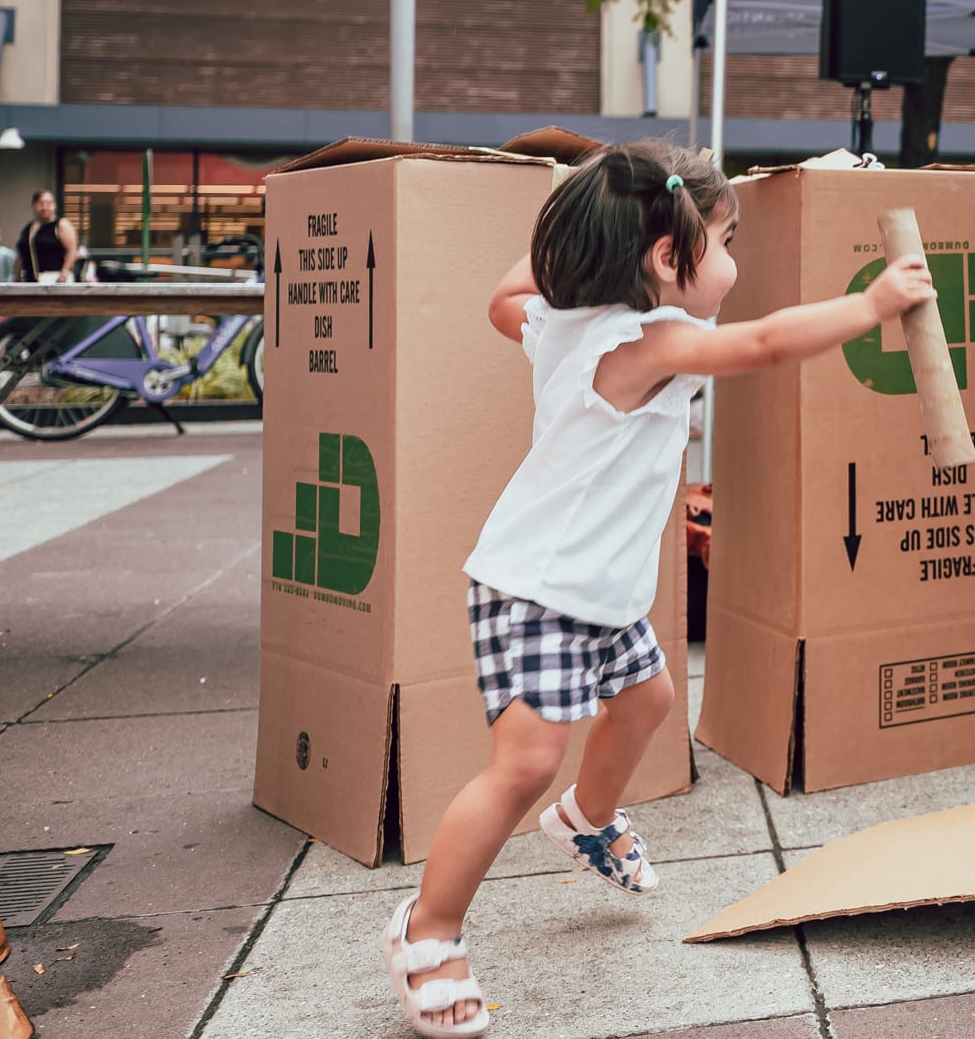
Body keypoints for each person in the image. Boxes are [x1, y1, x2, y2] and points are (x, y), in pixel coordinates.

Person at [381, 141, 935, 1037]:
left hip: (596, 590)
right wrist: (870, 303)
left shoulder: (562, 319)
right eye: (725, 240)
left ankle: (586, 817)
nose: (734, 260)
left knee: (648, 701)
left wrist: (587, 218)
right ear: (667, 260)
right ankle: (427, 928)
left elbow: (502, 296)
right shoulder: (647, 342)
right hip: (535, 590)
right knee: (522, 761)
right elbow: (758, 346)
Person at [14, 190, 77, 282]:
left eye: (49, 203)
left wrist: (64, 273)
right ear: (34, 205)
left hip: (55, 278)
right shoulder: (29, 229)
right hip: (32, 280)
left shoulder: (61, 225)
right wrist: (16, 278)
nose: (45, 207)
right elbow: (21, 255)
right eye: (41, 203)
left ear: (54, 205)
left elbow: (72, 250)